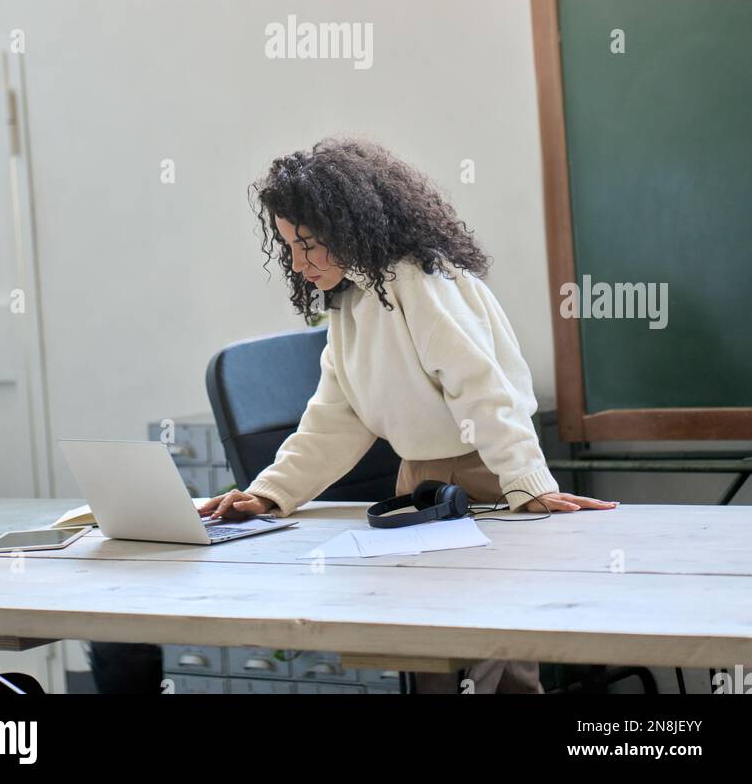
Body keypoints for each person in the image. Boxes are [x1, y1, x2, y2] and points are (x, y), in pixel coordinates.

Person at [199, 136, 618, 695]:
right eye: (289, 248)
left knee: (498, 653)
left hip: (484, 471)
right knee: (428, 653)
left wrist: (525, 482)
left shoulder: (417, 281)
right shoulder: (350, 302)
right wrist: (272, 492)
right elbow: (336, 413)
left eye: (309, 244)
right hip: (418, 478)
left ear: (347, 229)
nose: (298, 264)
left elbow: (482, 390)